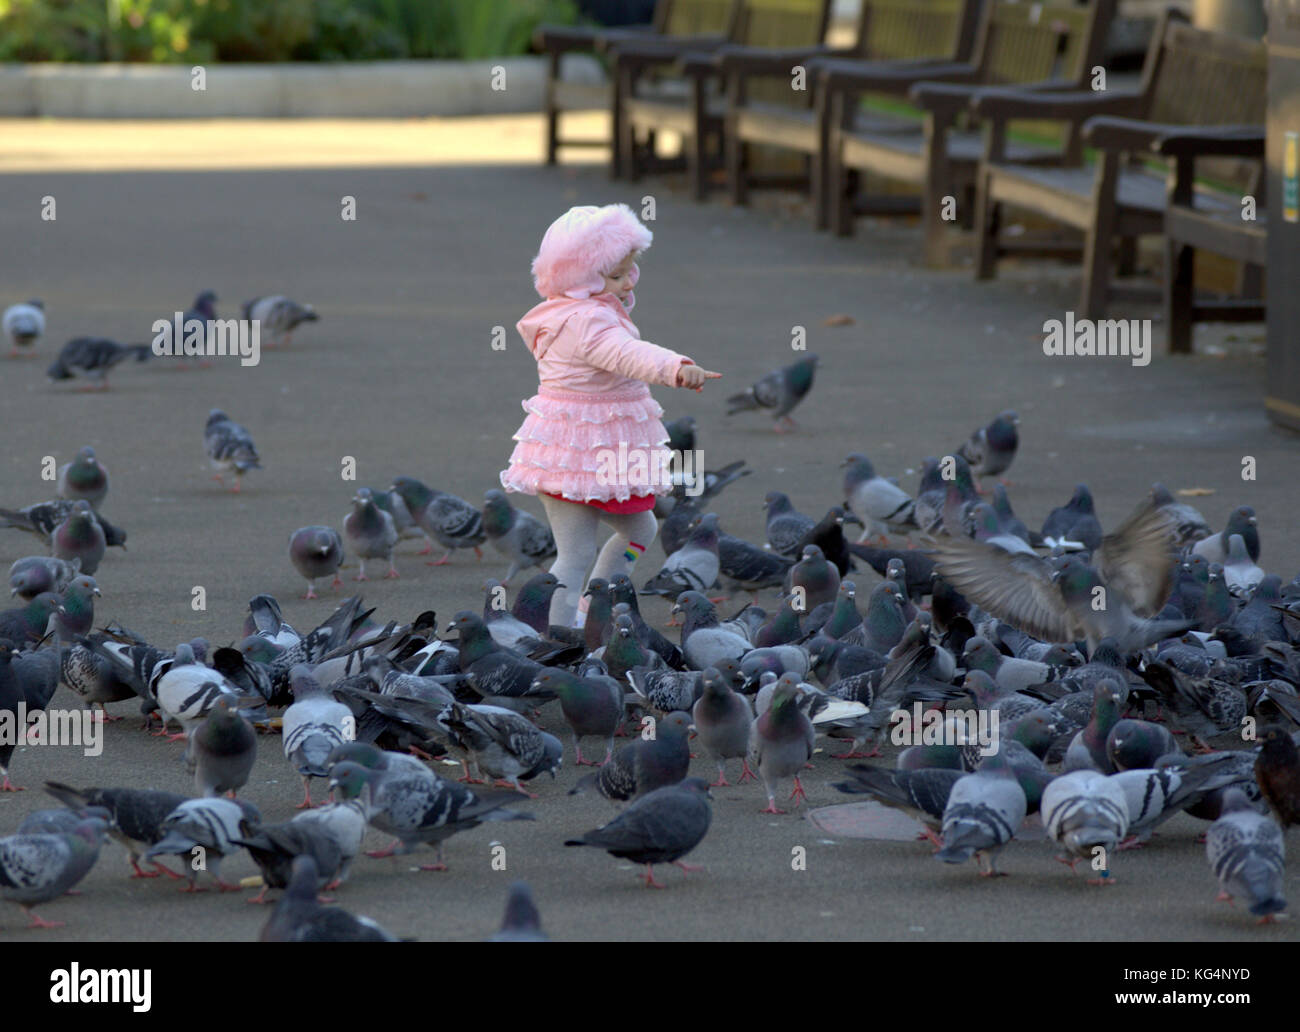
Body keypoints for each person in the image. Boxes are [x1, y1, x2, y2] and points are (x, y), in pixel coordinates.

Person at [500, 204, 720, 627]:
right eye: (616, 276)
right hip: (579, 448)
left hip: (597, 443)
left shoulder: (571, 310)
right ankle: (559, 631)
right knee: (576, 552)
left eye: (629, 271)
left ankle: (592, 607)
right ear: (579, 278)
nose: (628, 282)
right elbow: (625, 353)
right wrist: (675, 367)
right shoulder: (587, 321)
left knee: (640, 530)